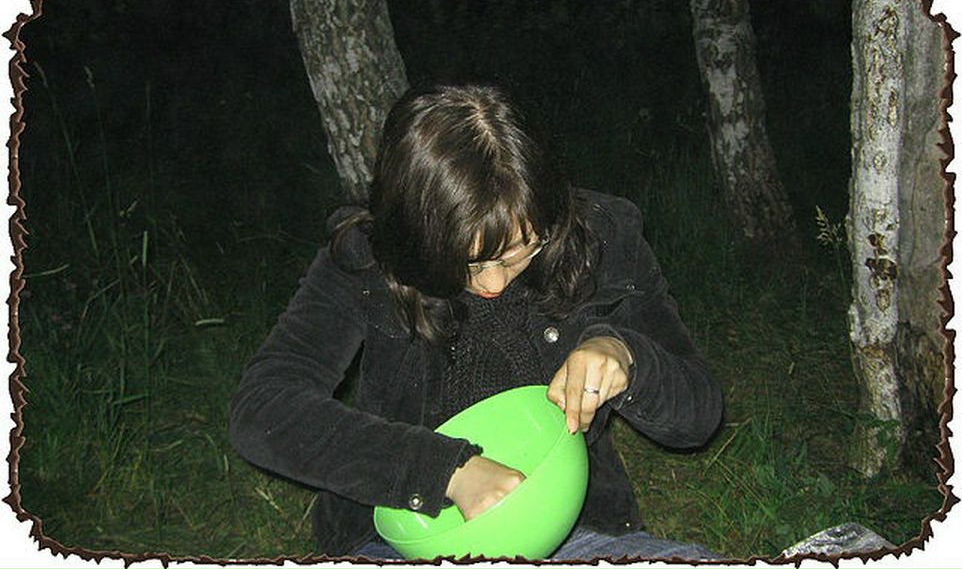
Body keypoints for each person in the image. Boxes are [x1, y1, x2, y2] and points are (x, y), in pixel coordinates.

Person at [228, 83, 724, 560]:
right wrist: (445, 471)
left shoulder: (602, 238)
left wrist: (627, 358)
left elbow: (698, 414)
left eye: (517, 252)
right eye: (465, 263)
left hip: (567, 533)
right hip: (402, 543)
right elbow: (263, 408)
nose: (493, 284)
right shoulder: (368, 259)